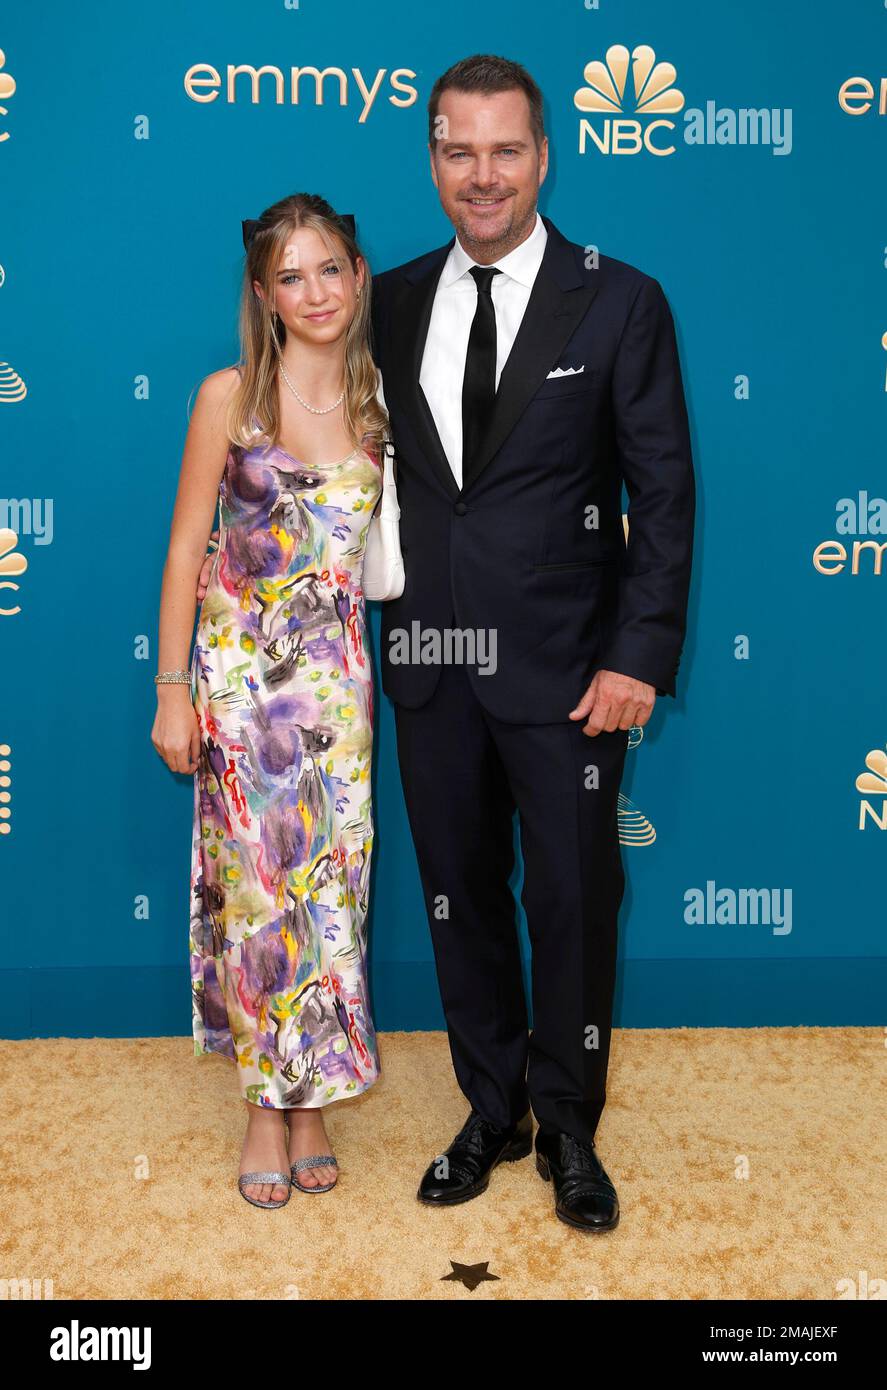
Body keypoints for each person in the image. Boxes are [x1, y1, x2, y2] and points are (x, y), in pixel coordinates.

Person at [368, 55, 695, 1232]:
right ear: (432, 159)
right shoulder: (391, 296)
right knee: (458, 895)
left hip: (569, 671)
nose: (482, 175)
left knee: (569, 900)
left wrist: (638, 655)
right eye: (458, 150)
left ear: (544, 155)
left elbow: (661, 494)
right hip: (430, 662)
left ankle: (567, 1125)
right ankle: (489, 1104)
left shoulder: (619, 299)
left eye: (505, 150)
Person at [152, 193, 387, 1209]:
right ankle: (264, 1102)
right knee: (258, 904)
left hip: (337, 698)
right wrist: (171, 694)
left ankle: (312, 1096)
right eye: (290, 275)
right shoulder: (228, 399)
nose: (314, 291)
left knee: (333, 897)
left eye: (328, 267)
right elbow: (181, 550)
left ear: (358, 274)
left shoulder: (385, 406)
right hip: (242, 694)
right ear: (263, 293)